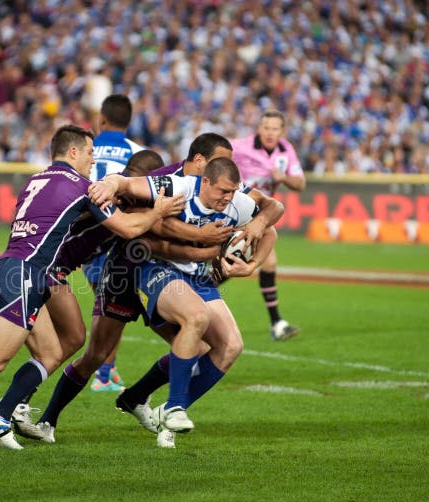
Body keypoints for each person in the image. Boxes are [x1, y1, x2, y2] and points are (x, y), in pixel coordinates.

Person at [0, 125, 185, 449]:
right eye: (90, 153)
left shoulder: (36, 179)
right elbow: (128, 228)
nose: (93, 160)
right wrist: (158, 210)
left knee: (51, 351)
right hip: (26, 273)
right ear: (73, 152)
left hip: (21, 269)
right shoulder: (81, 187)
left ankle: (2, 414)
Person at [33, 135, 280, 443]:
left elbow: (270, 208)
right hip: (129, 272)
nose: (227, 168)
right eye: (220, 160)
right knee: (96, 354)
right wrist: (200, 245)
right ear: (202, 164)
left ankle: (140, 398)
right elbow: (147, 233)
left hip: (173, 277)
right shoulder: (167, 182)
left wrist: (255, 232)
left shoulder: (224, 191)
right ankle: (47, 419)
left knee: (201, 344)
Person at [84, 94, 145, 392]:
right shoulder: (139, 152)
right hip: (121, 233)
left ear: (102, 119)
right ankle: (103, 372)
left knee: (107, 302)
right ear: (129, 121)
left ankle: (107, 370)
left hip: (86, 233)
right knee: (114, 305)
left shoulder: (84, 148)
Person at [231, 109, 305, 340]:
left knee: (249, 261)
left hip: (262, 213)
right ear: (259, 128)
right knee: (264, 260)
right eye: (266, 128)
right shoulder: (240, 146)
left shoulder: (286, 151)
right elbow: (216, 154)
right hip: (236, 208)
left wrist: (283, 177)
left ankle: (277, 323)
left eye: (275, 128)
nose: (270, 132)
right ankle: (277, 323)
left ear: (282, 131)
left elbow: (300, 183)